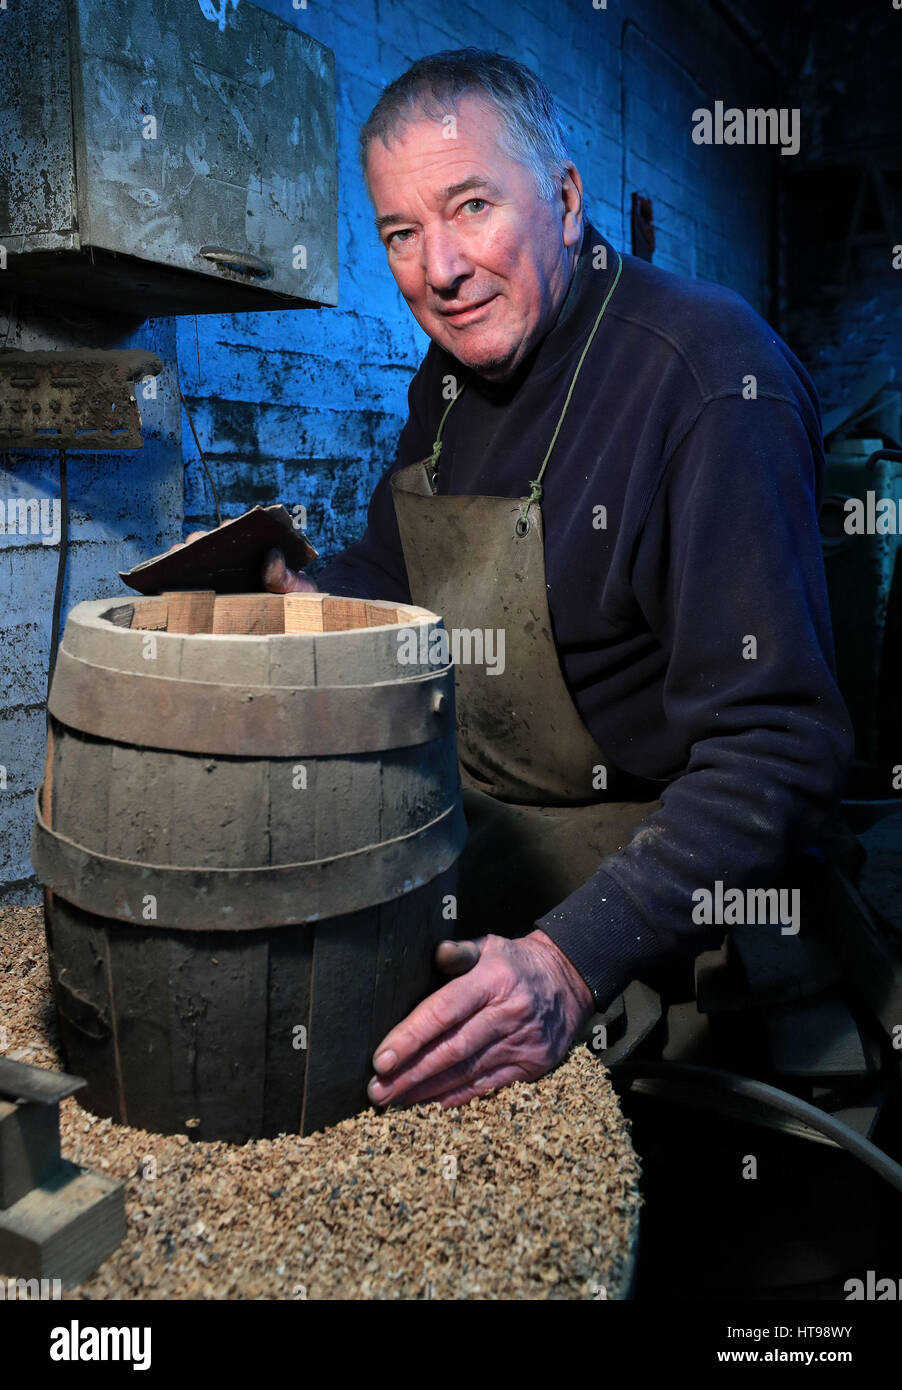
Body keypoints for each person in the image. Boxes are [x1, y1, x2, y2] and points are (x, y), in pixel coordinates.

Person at [178, 50, 855, 1110]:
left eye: (471, 206)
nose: (438, 269)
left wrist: (570, 961)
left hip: (665, 925)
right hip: (491, 857)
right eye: (400, 234)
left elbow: (781, 746)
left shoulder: (709, 381)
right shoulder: (450, 380)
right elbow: (397, 572)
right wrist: (300, 600)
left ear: (566, 198)